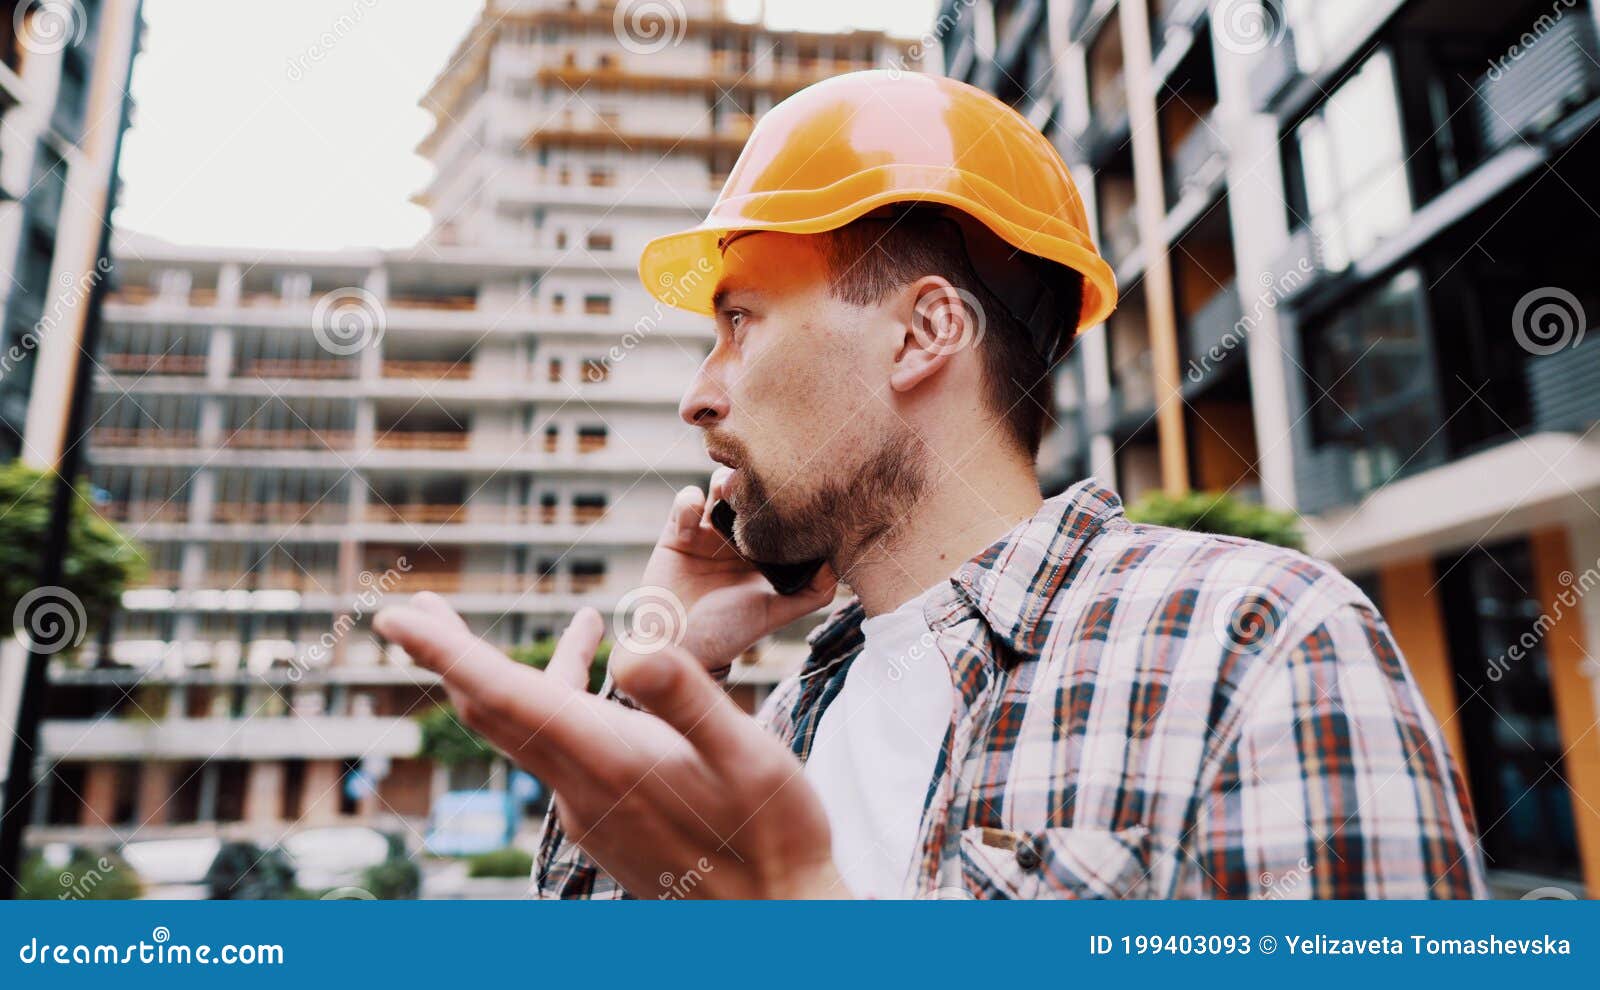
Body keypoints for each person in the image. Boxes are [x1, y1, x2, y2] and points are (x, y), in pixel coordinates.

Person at [374, 71, 1485, 899]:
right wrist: (656, 673)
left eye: (739, 323)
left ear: (924, 334)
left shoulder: (1252, 645)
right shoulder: (785, 721)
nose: (698, 398)